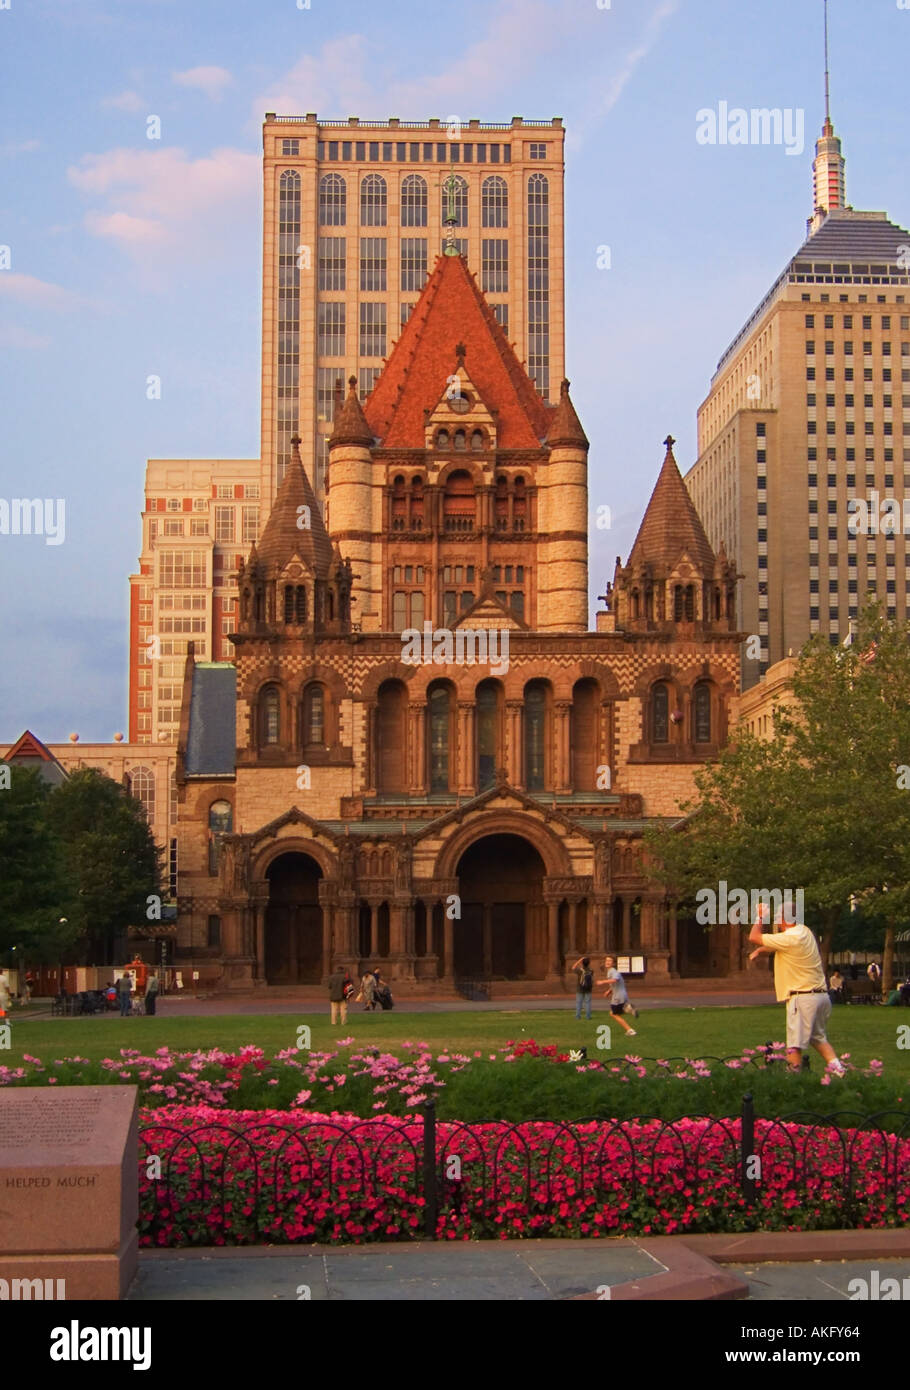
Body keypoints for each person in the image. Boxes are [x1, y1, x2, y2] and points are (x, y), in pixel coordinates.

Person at [748, 906, 845, 1075]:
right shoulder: (804, 932)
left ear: (784, 919)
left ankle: (793, 1081)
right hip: (822, 997)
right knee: (819, 1038)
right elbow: (779, 943)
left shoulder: (790, 938)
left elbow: (754, 936)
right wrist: (761, 950)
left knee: (794, 1045)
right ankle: (839, 1071)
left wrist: (760, 917)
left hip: (802, 998)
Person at [597, 956, 637, 1037]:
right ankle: (628, 1009)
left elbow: (615, 980)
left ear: (613, 963)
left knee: (613, 1014)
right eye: (606, 960)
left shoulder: (614, 971)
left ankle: (630, 1030)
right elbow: (614, 984)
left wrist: (602, 982)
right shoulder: (609, 971)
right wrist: (609, 991)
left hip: (618, 996)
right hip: (619, 995)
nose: (607, 962)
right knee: (615, 1012)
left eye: (610, 961)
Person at [571, 955, 595, 1021]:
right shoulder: (591, 971)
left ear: (582, 963)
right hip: (588, 988)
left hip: (580, 988)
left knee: (579, 1003)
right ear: (589, 963)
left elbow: (573, 967)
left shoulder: (580, 970)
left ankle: (578, 1016)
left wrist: (580, 960)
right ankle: (588, 1016)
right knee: (588, 1003)